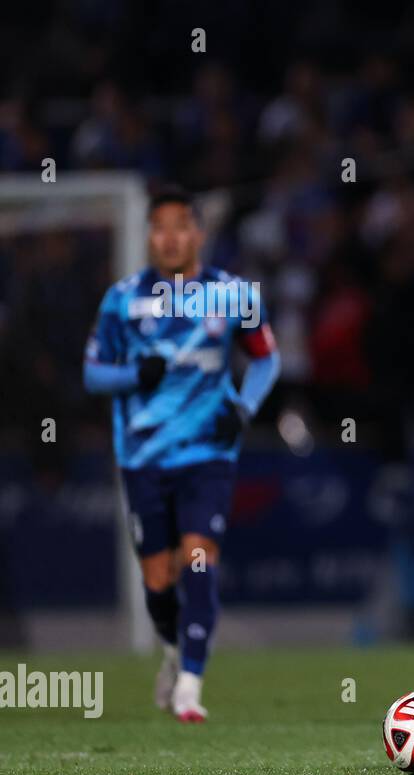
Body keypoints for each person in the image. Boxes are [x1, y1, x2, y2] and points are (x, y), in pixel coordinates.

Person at [83, 185, 280, 722]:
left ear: (198, 233)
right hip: (143, 457)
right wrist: (130, 374)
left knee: (199, 556)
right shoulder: (122, 298)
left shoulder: (232, 294)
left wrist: (244, 406)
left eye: (180, 226)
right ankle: (172, 654)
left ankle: (191, 683)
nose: (169, 237)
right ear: (149, 235)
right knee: (157, 582)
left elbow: (266, 358)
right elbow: (92, 373)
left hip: (208, 453)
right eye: (159, 227)